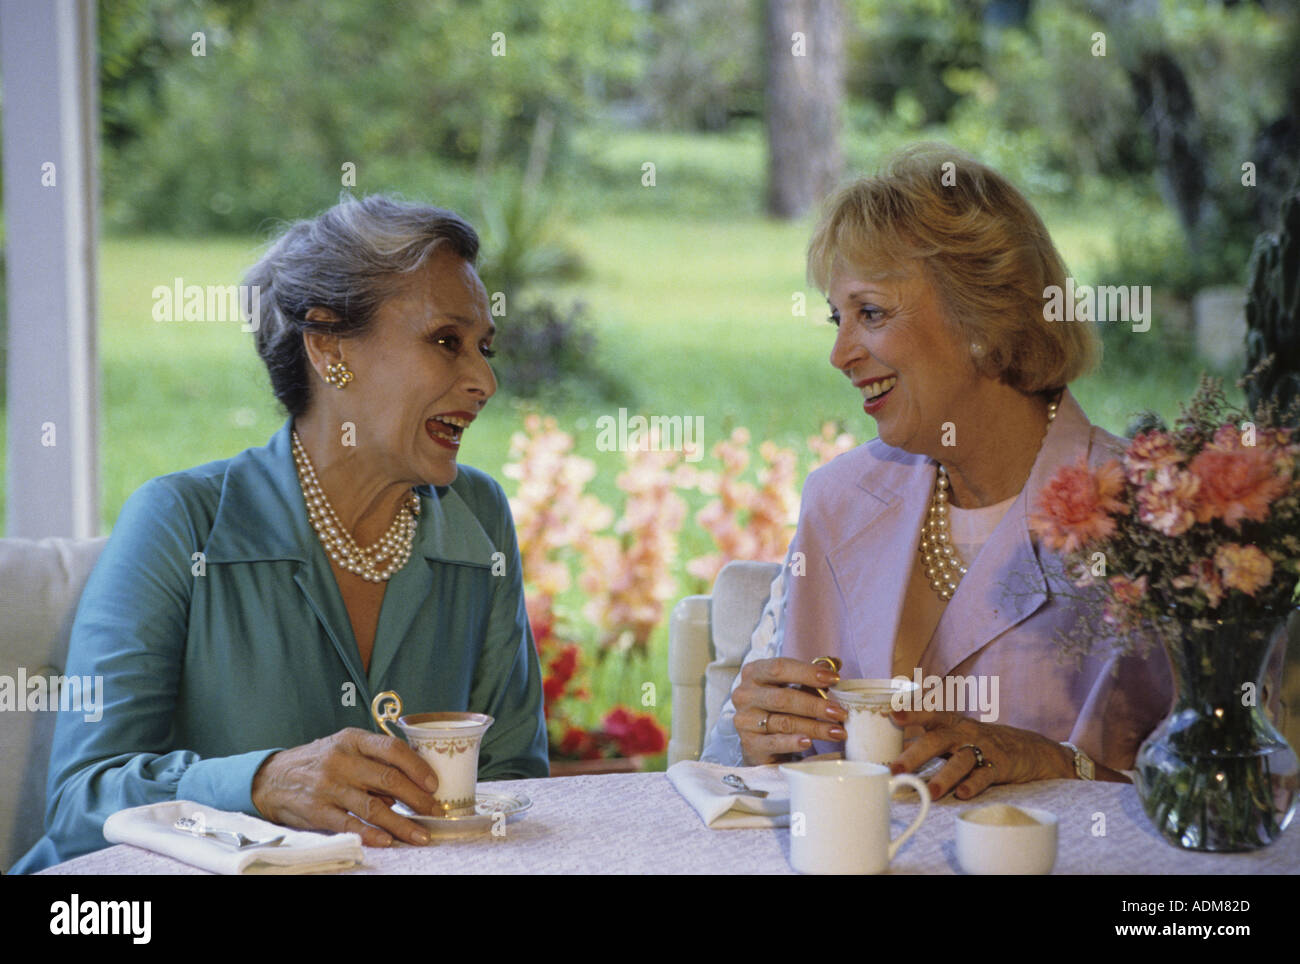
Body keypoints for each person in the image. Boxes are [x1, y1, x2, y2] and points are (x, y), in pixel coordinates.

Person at [13, 194, 548, 873]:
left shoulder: (480, 518)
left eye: (484, 348)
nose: (484, 380)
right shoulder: (178, 521)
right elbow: (79, 802)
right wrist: (260, 782)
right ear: (328, 347)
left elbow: (514, 783)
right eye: (447, 341)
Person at [702, 145, 1175, 799]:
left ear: (983, 316)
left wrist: (1063, 766)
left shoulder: (1158, 515)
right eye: (836, 320)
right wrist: (758, 738)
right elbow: (722, 775)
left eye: (870, 313)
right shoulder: (839, 500)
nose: (839, 353)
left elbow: (1241, 812)